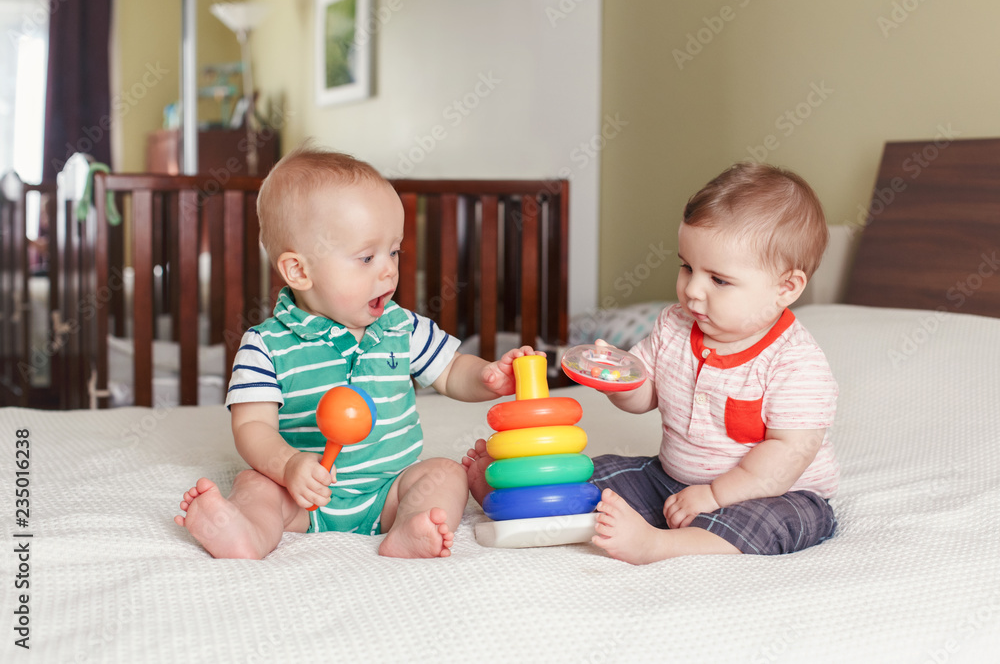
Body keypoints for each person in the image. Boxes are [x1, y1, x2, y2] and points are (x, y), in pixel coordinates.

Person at [175, 144, 540, 560]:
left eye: (394, 252)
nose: (388, 269)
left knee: (445, 473)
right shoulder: (266, 344)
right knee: (254, 486)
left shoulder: (401, 327)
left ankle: (408, 529)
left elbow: (452, 370)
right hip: (302, 493)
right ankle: (247, 535)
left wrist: (488, 376)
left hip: (389, 490)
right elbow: (252, 427)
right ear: (299, 271)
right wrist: (288, 465)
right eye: (366, 257)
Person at [465, 162, 839, 564]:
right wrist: (618, 382)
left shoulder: (795, 364)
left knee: (770, 522)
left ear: (787, 287)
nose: (692, 289)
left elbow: (784, 458)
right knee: (597, 475)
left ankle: (659, 545)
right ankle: (521, 498)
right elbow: (644, 395)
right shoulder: (674, 326)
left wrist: (714, 496)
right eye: (687, 267)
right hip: (672, 478)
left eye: (719, 280)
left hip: (771, 491)